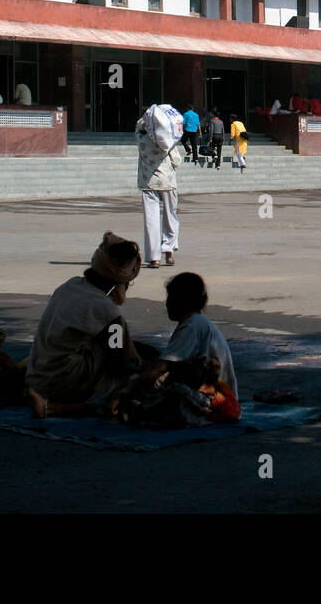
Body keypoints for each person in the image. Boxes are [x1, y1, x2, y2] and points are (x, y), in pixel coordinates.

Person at [26, 231, 144, 418]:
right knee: (124, 377)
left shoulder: (70, 285)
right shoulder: (106, 310)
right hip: (60, 382)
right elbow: (118, 362)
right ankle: (62, 407)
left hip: (38, 374)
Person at [155, 272, 240, 421]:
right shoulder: (199, 322)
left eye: (169, 298)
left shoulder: (192, 326)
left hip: (215, 404)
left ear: (178, 301)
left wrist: (125, 390)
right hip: (224, 400)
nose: (166, 303)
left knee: (149, 386)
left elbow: (161, 367)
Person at [137, 105, 184, 269]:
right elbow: (177, 161)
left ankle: (154, 258)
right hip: (168, 181)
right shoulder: (167, 141)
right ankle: (169, 250)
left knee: (151, 219)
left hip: (148, 182)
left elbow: (139, 128)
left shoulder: (141, 139)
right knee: (170, 215)